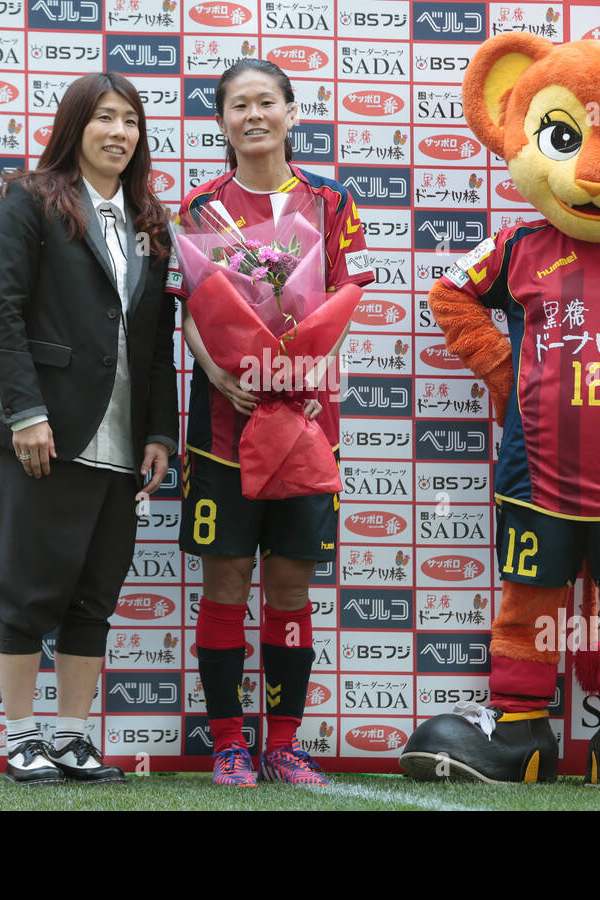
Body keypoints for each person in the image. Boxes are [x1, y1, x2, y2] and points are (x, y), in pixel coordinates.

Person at [169, 59, 373, 786]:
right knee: (225, 582)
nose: (253, 116)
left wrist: (302, 369)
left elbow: (345, 298)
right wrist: (223, 372)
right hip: (224, 428)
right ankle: (228, 743)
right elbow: (187, 308)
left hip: (308, 425)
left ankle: (282, 742)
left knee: (290, 587)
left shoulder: (332, 202)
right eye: (237, 106)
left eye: (266, 103)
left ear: (291, 112)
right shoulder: (198, 206)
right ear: (221, 121)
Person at [0, 72, 178, 784]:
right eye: (104, 118)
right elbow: (1, 315)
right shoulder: (29, 201)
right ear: (75, 127)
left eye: (130, 120)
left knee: (95, 593)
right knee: (26, 591)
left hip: (121, 440)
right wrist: (25, 412)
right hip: (46, 432)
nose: (119, 132)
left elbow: (158, 342)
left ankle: (71, 738)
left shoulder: (152, 221)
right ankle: (21, 737)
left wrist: (160, 434)